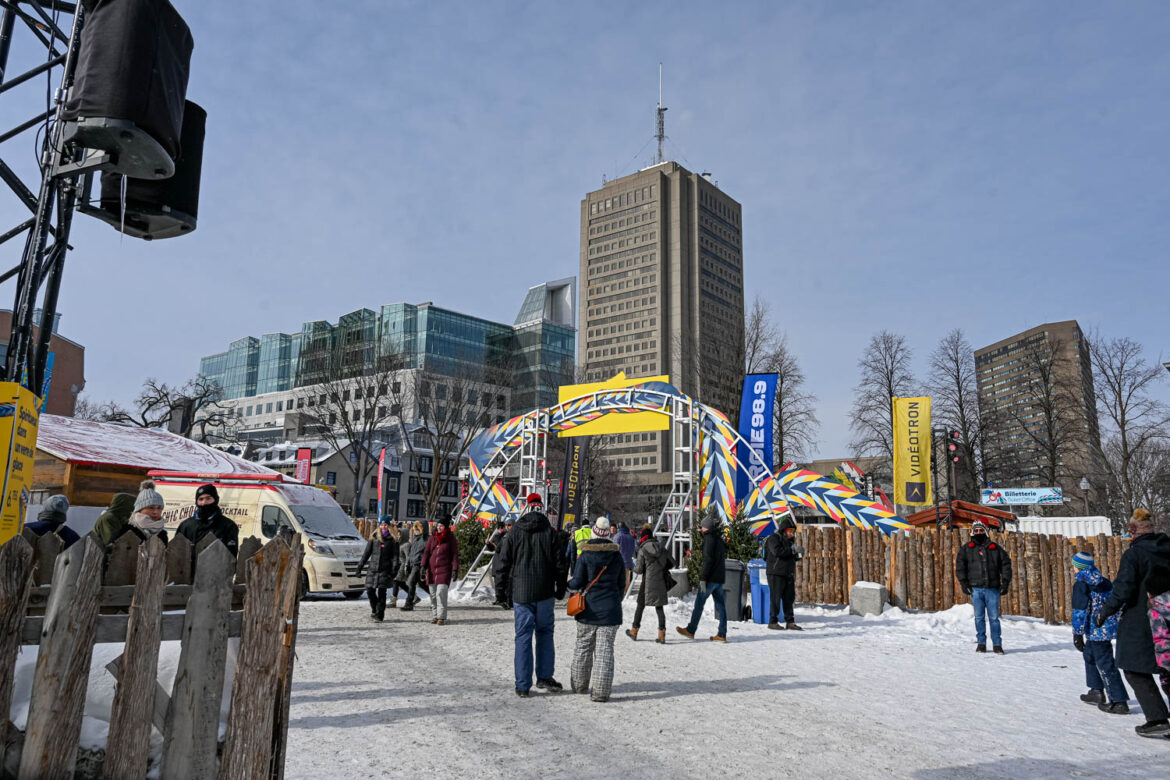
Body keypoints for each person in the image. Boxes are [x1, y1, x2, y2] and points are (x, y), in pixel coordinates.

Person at [1095, 508, 1170, 738]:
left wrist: (1106, 611)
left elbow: (1124, 588)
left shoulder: (1135, 554)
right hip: (1167, 614)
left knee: (1134, 668)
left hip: (1143, 620)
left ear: (1133, 530)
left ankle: (1157, 718)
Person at [496, 493, 566, 698]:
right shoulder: (550, 532)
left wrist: (501, 591)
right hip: (545, 592)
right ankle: (544, 676)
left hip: (522, 592)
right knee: (545, 634)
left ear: (526, 508)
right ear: (541, 508)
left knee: (523, 637)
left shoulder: (515, 531)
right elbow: (560, 565)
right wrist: (560, 589)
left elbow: (503, 562)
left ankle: (523, 684)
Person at [568, 517, 626, 703]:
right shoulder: (616, 557)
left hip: (587, 610)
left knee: (583, 648)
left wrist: (569, 584)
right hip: (610, 611)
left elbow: (577, 582)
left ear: (593, 533)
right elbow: (621, 585)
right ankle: (600, 692)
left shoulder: (585, 555)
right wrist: (614, 599)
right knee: (605, 651)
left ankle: (579, 685)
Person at [1070, 551, 1128, 713]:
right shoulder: (1104, 582)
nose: (1073, 568)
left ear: (1079, 568)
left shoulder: (1081, 584)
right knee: (1089, 655)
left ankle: (1119, 700)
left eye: (1074, 565)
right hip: (1105, 627)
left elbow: (1080, 610)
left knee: (1105, 663)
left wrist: (1077, 633)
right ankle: (1096, 690)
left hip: (1095, 631)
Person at [956, 520, 1012, 654]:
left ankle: (997, 644)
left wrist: (1005, 583)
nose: (978, 533)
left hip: (992, 588)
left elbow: (1006, 565)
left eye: (981, 530)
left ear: (985, 532)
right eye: (976, 531)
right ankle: (981, 643)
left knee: (994, 618)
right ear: (972, 533)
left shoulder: (995, 548)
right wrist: (964, 583)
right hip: (976, 589)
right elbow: (960, 567)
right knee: (979, 618)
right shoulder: (966, 549)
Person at [677, 514, 729, 642]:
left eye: (702, 527)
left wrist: (703, 578)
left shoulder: (709, 539)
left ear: (707, 528)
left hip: (710, 578)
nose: (701, 529)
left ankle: (691, 630)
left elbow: (707, 560)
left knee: (699, 603)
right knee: (721, 606)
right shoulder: (719, 539)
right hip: (719, 578)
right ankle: (722, 633)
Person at [627, 524, 672, 644]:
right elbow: (672, 562)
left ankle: (634, 631)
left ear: (643, 537)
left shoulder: (643, 549)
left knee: (640, 606)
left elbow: (639, 570)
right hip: (660, 581)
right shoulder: (661, 548)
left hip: (647, 582)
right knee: (659, 607)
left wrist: (633, 566)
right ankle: (662, 635)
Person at [176, 484, 240, 556]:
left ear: (216, 500)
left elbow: (230, 556)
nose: (204, 503)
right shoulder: (186, 526)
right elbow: (176, 553)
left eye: (208, 498)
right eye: (201, 499)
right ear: (196, 502)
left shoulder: (228, 526)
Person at [356, 519, 400, 622]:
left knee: (382, 592)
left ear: (389, 527)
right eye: (382, 525)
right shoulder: (374, 538)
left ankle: (380, 615)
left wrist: (394, 570)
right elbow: (366, 554)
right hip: (372, 569)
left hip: (385, 570)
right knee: (370, 590)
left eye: (385, 525)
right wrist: (359, 567)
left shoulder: (393, 541)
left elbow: (395, 557)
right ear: (379, 526)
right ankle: (374, 609)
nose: (383, 527)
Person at [764, 517, 803, 631]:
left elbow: (789, 557)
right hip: (776, 573)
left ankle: (790, 621)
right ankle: (772, 621)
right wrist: (792, 551)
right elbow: (777, 552)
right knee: (775, 598)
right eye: (790, 531)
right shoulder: (774, 538)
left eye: (793, 531)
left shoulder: (790, 542)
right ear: (784, 530)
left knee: (789, 598)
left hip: (788, 573)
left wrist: (798, 555)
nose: (791, 533)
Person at [422, 514, 459, 625]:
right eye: (438, 525)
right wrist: (423, 566)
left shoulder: (451, 538)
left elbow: (455, 554)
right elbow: (426, 553)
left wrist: (455, 569)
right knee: (433, 595)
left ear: (446, 527)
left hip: (444, 570)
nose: (439, 527)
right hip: (432, 571)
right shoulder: (432, 537)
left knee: (440, 593)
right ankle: (435, 616)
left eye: (441, 526)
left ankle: (441, 617)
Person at [399, 521, 427, 611]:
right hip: (412, 564)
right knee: (422, 584)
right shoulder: (415, 538)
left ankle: (409, 603)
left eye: (418, 529)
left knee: (411, 582)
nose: (416, 531)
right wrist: (408, 563)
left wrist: (424, 565)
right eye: (415, 529)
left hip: (419, 564)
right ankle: (436, 598)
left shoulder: (427, 539)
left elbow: (427, 553)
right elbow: (412, 552)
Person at [492, 517, 515, 609]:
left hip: (511, 563)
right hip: (504, 562)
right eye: (506, 525)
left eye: (509, 525)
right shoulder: (504, 536)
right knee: (504, 582)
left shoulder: (508, 536)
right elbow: (497, 548)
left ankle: (508, 600)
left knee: (509, 583)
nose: (507, 527)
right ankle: (503, 599)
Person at [614, 522, 636, 590]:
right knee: (627, 578)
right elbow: (633, 548)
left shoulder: (618, 536)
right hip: (629, 560)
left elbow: (614, 549)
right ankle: (626, 592)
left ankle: (621, 593)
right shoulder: (630, 536)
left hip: (619, 561)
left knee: (618, 578)